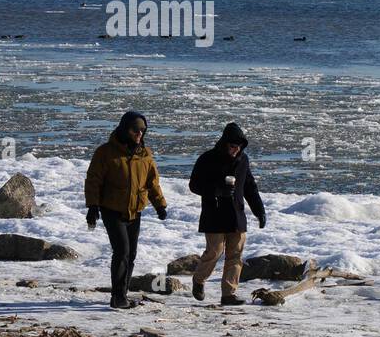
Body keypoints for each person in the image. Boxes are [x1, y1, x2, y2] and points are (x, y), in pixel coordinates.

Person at [84, 110, 168, 309]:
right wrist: (93, 206)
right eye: (135, 130)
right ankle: (117, 298)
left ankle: (122, 294)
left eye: (142, 130)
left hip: (135, 211)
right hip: (111, 210)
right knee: (121, 251)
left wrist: (160, 205)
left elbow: (152, 183)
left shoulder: (145, 154)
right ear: (124, 129)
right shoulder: (106, 152)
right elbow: (93, 180)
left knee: (131, 254)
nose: (139, 134)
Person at [187, 122, 266, 306]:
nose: (235, 150)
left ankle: (228, 294)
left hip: (236, 215)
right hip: (213, 214)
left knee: (235, 255)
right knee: (214, 252)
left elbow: (250, 188)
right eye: (232, 146)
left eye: (239, 147)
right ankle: (199, 280)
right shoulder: (208, 159)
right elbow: (194, 185)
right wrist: (216, 190)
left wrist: (259, 211)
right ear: (224, 143)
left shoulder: (243, 160)